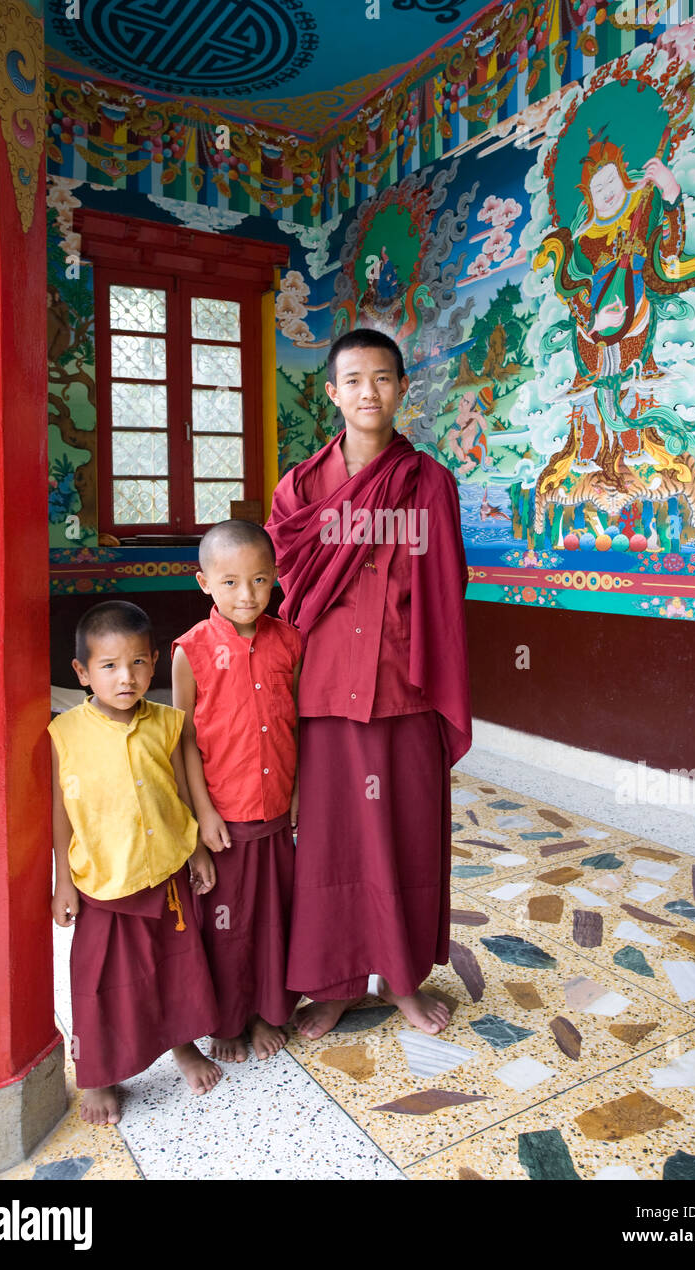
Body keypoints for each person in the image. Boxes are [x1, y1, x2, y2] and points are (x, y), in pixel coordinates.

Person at [265, 327, 471, 1039]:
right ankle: (334, 983)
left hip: (401, 685)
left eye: (382, 379)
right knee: (329, 844)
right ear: (332, 392)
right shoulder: (299, 486)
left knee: (407, 835)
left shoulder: (428, 483)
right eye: (353, 380)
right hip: (322, 688)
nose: (367, 393)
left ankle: (405, 979)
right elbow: (283, 586)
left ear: (402, 388)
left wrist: (430, 671)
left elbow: (445, 590)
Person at [49, 601, 221, 1126]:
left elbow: (182, 794)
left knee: (178, 968)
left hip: (166, 875)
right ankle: (100, 1073)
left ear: (153, 663)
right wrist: (63, 882)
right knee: (99, 981)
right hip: (103, 881)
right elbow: (60, 809)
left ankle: (183, 1045)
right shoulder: (64, 734)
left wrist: (195, 849)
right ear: (81, 672)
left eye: (139, 664)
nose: (126, 678)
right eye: (109, 666)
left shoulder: (168, 724)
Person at [172, 521, 302, 1063]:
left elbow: (299, 722)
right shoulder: (191, 651)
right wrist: (201, 817)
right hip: (224, 818)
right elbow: (181, 744)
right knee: (224, 927)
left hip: (276, 814)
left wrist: (297, 797)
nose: (246, 595)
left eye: (259, 581)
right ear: (204, 583)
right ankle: (225, 1021)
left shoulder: (289, 641)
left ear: (276, 580)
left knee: (274, 920)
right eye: (229, 583)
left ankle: (264, 1010)